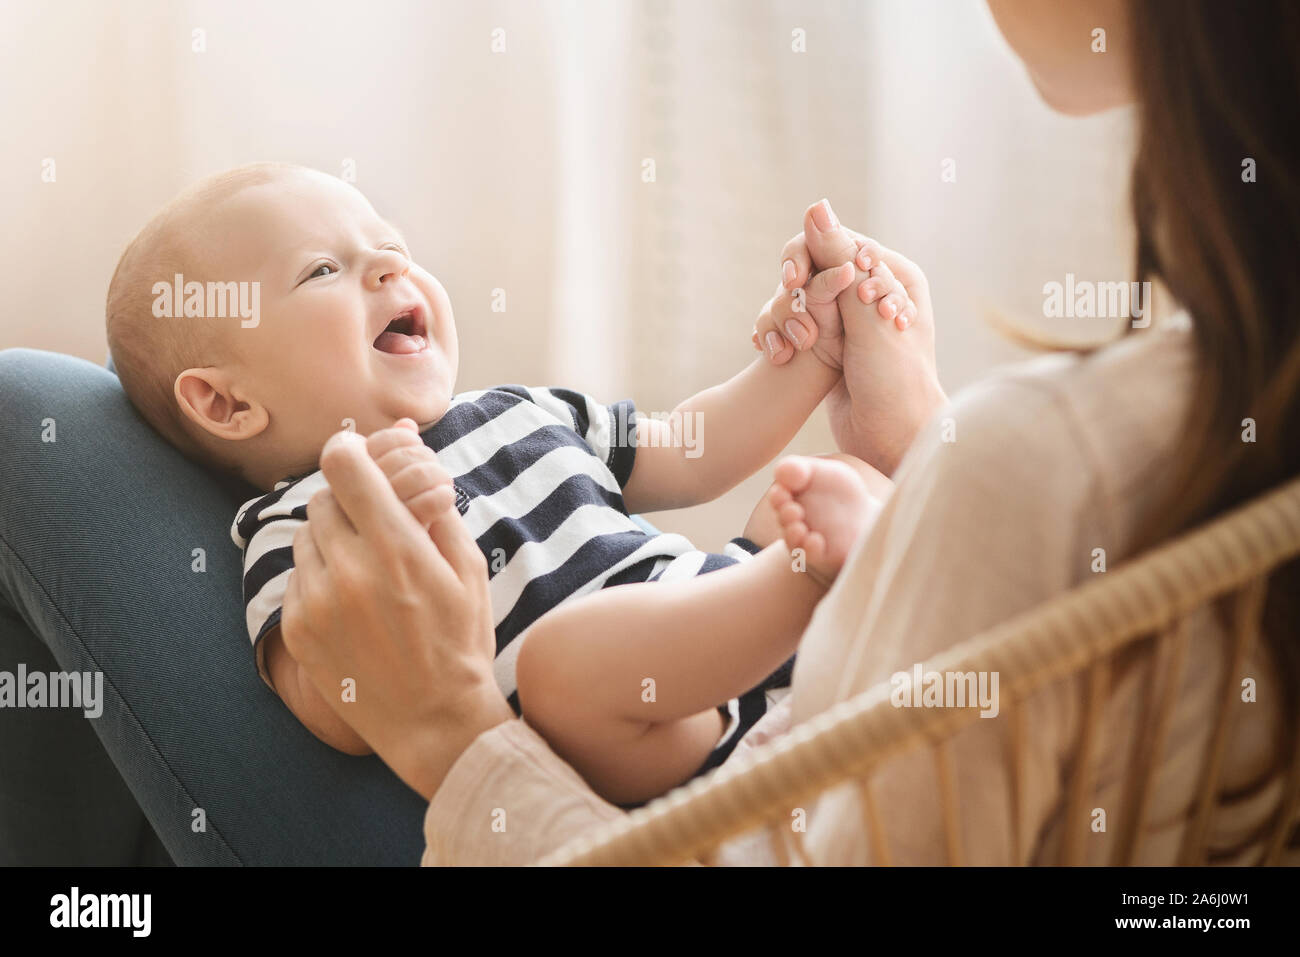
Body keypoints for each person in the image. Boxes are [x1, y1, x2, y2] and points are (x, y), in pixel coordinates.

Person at [279, 0, 1300, 864]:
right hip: (687, 706)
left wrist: (450, 735)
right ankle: (818, 571)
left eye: (393, 249)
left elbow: (690, 446)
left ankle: (810, 576)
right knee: (580, 661)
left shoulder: (524, 410)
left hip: (734, 705)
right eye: (320, 272)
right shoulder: (301, 515)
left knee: (589, 649)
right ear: (221, 401)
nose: (385, 274)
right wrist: (924, 453)